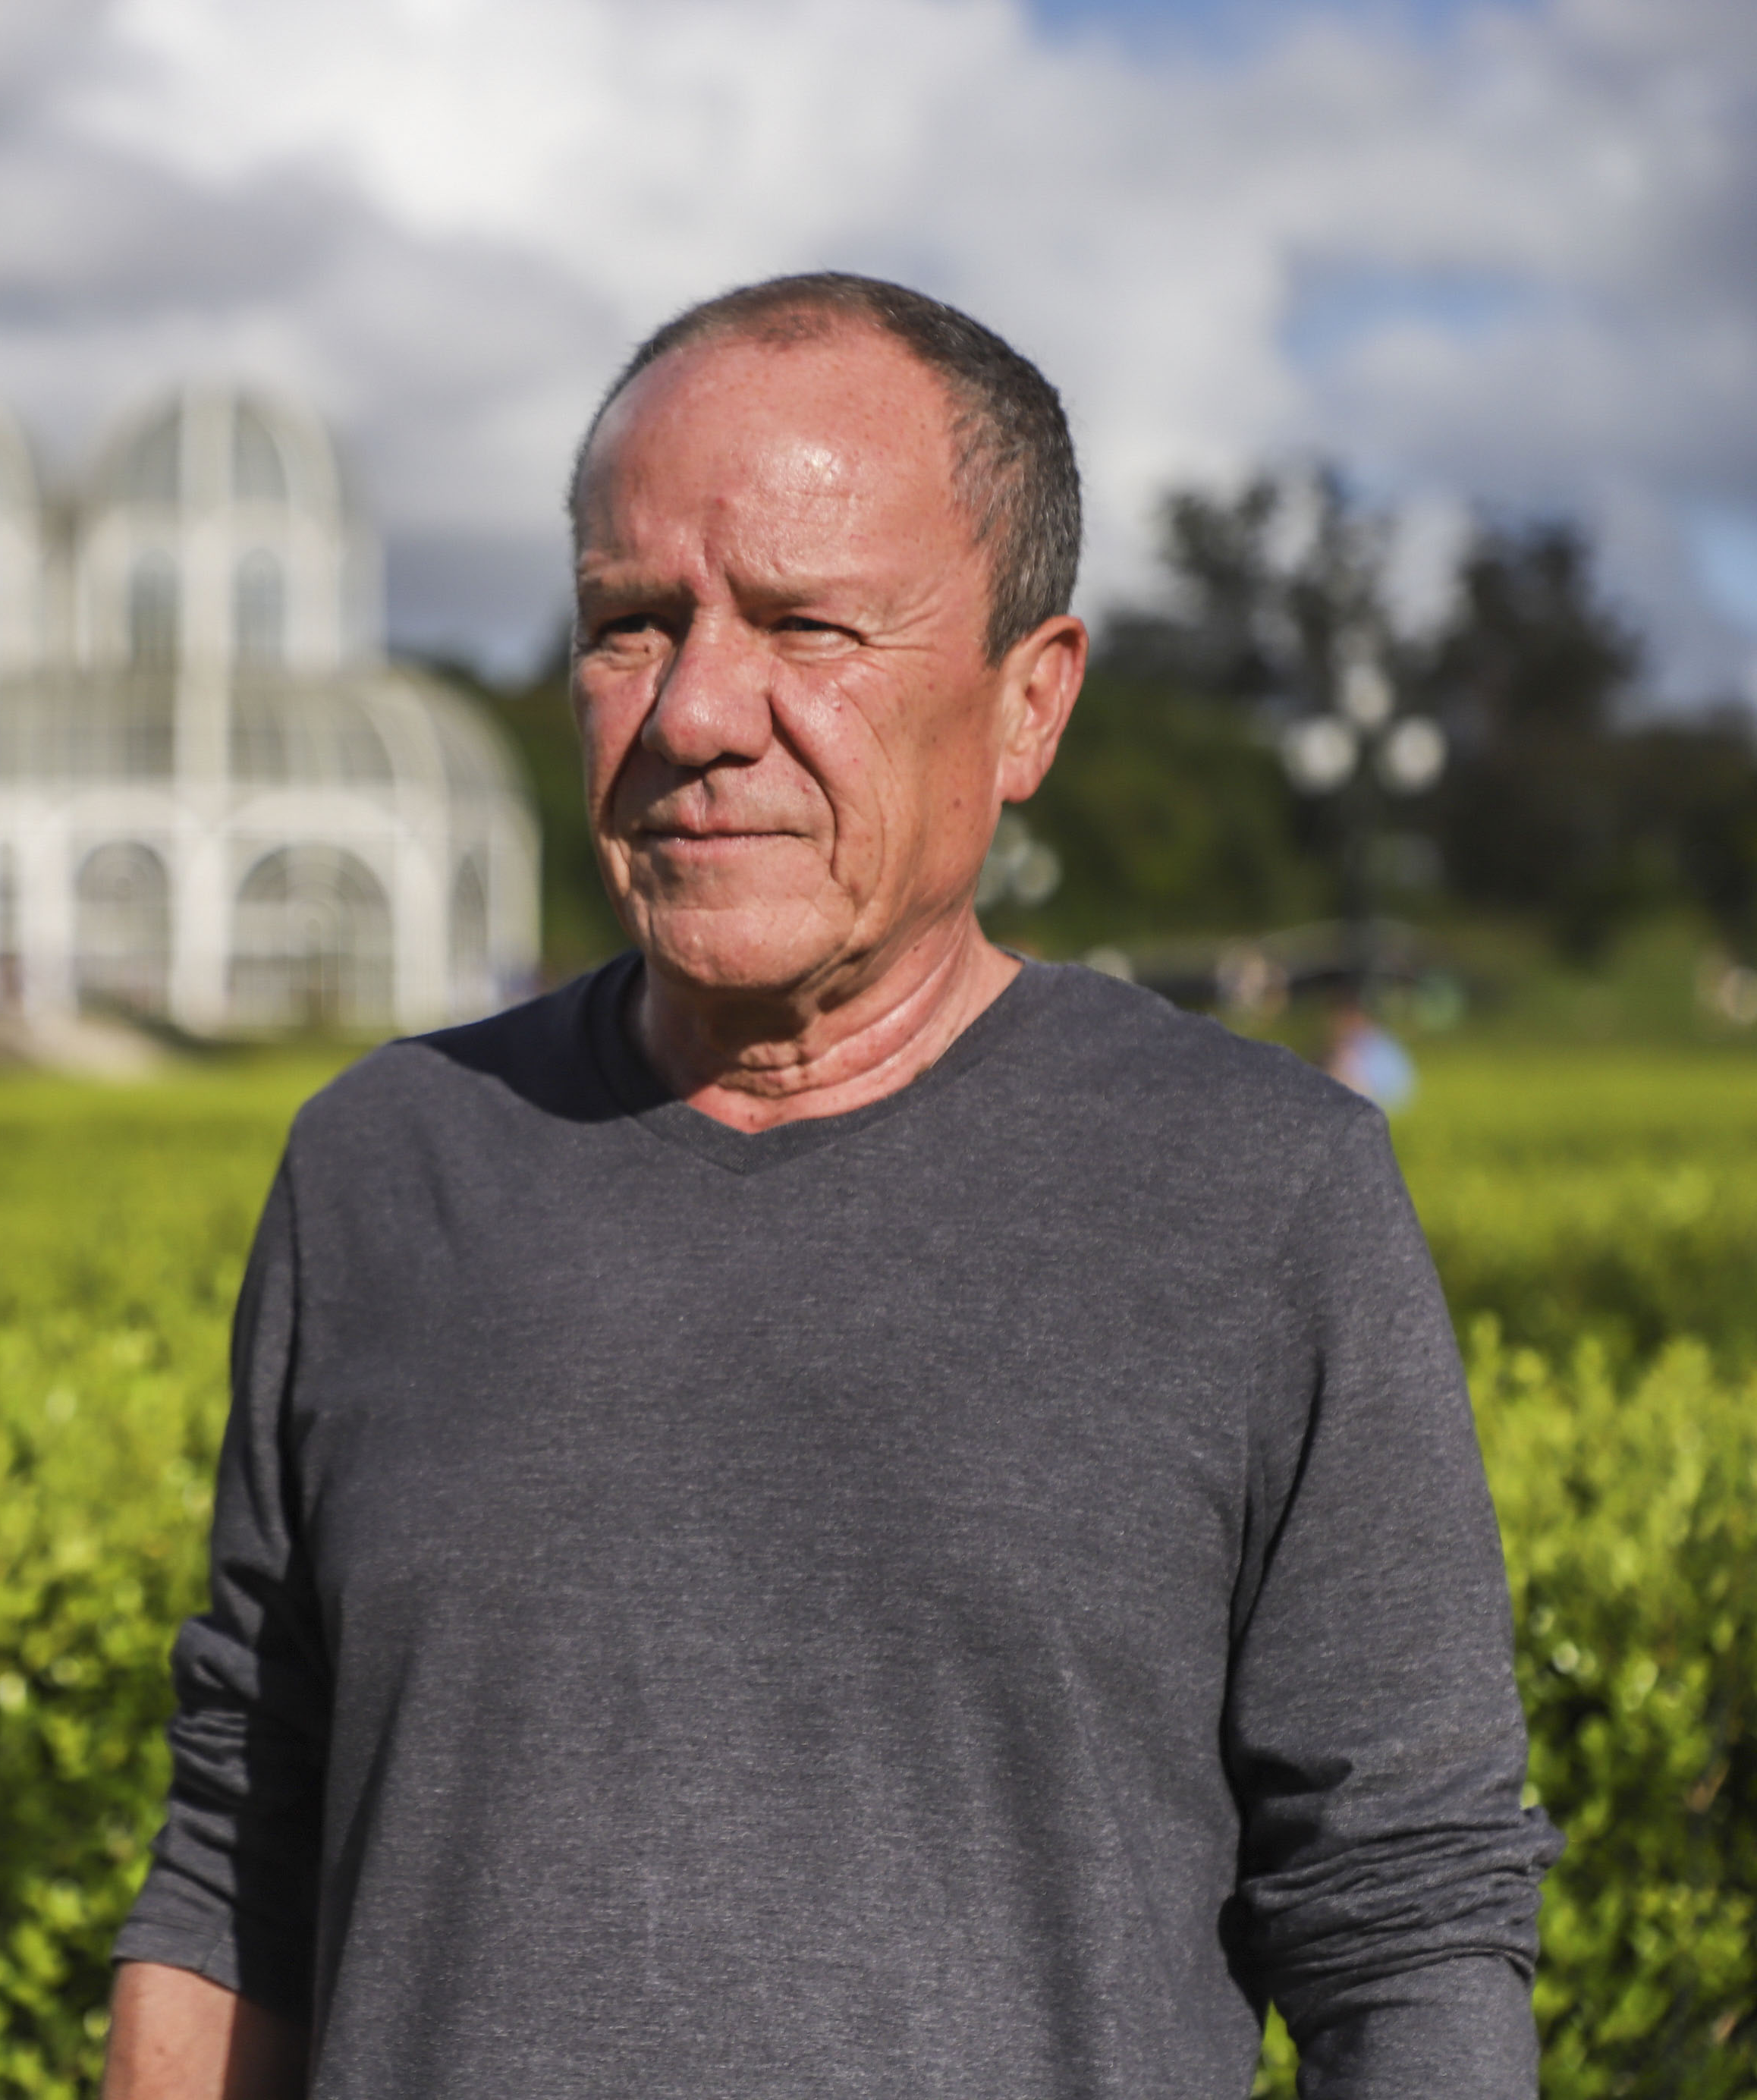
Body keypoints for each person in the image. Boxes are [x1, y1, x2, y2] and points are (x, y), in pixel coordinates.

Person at [102, 273, 1554, 2099]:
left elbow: (1404, 1919)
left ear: (1029, 705)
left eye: (809, 627)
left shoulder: (1262, 1196)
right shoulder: (380, 1163)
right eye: (632, 623)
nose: (700, 710)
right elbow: (240, 1848)